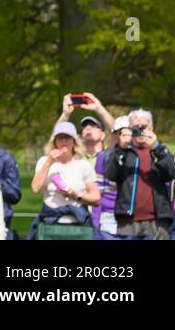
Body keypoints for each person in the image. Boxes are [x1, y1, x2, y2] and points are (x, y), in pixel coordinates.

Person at [103, 109, 175, 240]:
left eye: (143, 127)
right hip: (127, 220)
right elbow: (110, 174)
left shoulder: (160, 151)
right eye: (135, 128)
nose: (139, 131)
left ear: (151, 128)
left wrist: (156, 148)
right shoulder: (123, 152)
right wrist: (121, 148)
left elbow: (172, 172)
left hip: (157, 221)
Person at [59, 92, 118, 239]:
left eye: (94, 126)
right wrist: (65, 114)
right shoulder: (75, 159)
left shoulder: (109, 156)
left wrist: (99, 108)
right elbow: (57, 137)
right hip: (77, 218)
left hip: (105, 221)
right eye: (85, 127)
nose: (88, 129)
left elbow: (118, 132)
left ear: (104, 135)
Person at [26, 120, 99, 238]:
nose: (64, 141)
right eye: (60, 138)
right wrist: (49, 162)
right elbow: (35, 188)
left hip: (77, 227)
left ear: (74, 142)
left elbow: (96, 199)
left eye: (67, 138)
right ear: (54, 142)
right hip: (51, 225)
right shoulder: (44, 161)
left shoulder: (83, 165)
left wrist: (77, 195)